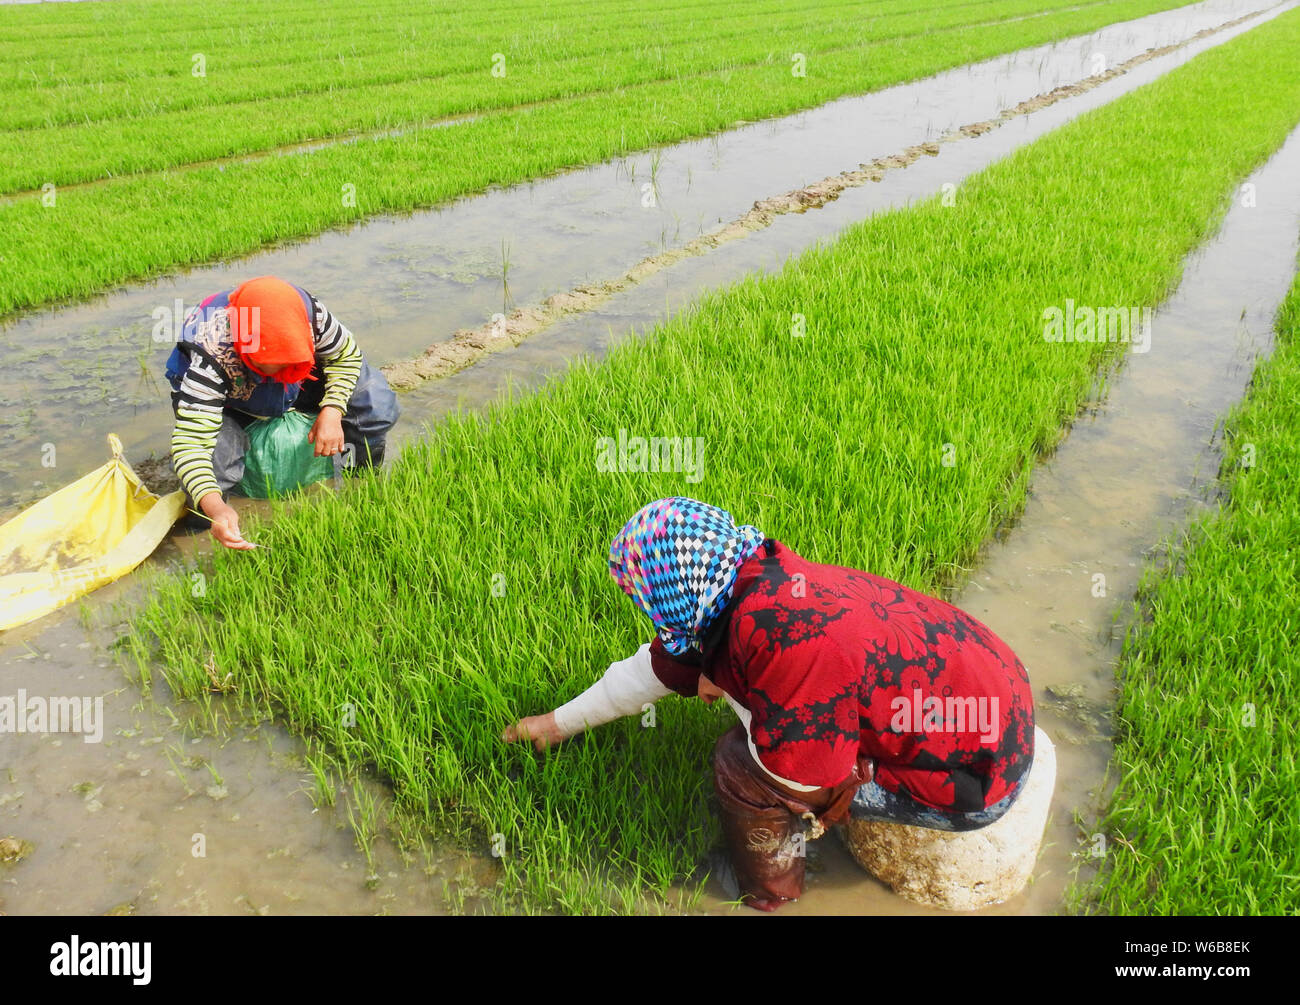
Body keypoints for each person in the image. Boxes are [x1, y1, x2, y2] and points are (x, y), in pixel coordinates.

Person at [504, 497, 1035, 911]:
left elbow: (807, 771)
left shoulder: (782, 639)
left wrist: (734, 693)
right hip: (996, 696)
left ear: (672, 590)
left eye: (640, 592)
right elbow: (659, 665)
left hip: (979, 775)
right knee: (759, 722)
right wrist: (554, 725)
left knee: (740, 764)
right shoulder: (750, 579)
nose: (640, 604)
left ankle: (768, 894)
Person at [165, 275, 399, 549]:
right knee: (218, 458)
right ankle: (207, 528)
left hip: (302, 379)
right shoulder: (212, 357)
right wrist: (216, 509)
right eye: (269, 367)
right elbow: (192, 447)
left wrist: (333, 408)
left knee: (373, 405)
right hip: (232, 394)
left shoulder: (314, 319)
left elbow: (345, 356)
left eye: (285, 365)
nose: (276, 374)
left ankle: (361, 480)